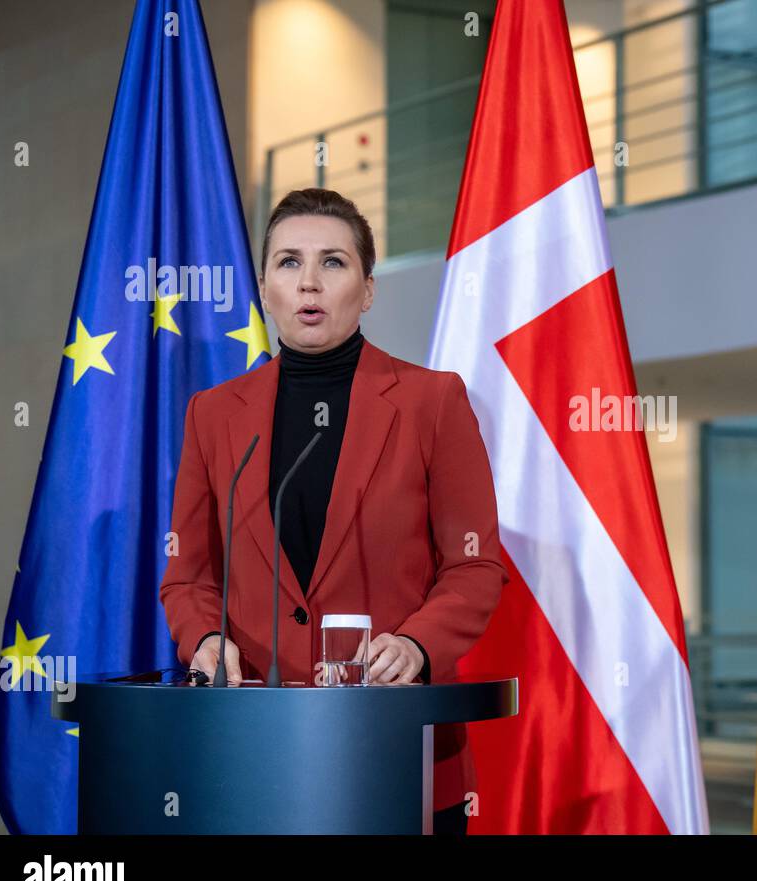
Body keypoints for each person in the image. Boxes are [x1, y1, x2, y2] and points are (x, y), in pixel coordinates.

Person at [160, 188, 507, 835]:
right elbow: (188, 573)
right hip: (254, 752)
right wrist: (206, 640)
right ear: (264, 285)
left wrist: (415, 644)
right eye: (289, 262)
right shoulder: (212, 414)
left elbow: (475, 565)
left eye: (334, 262)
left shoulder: (434, 401)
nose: (310, 282)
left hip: (397, 750)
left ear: (368, 288)